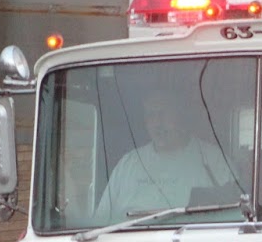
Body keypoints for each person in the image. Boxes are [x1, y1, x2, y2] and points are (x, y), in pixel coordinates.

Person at [95, 94, 236, 221]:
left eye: (163, 114)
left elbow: (236, 217)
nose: (157, 123)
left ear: (180, 115)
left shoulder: (215, 161)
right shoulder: (128, 164)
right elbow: (100, 220)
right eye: (151, 115)